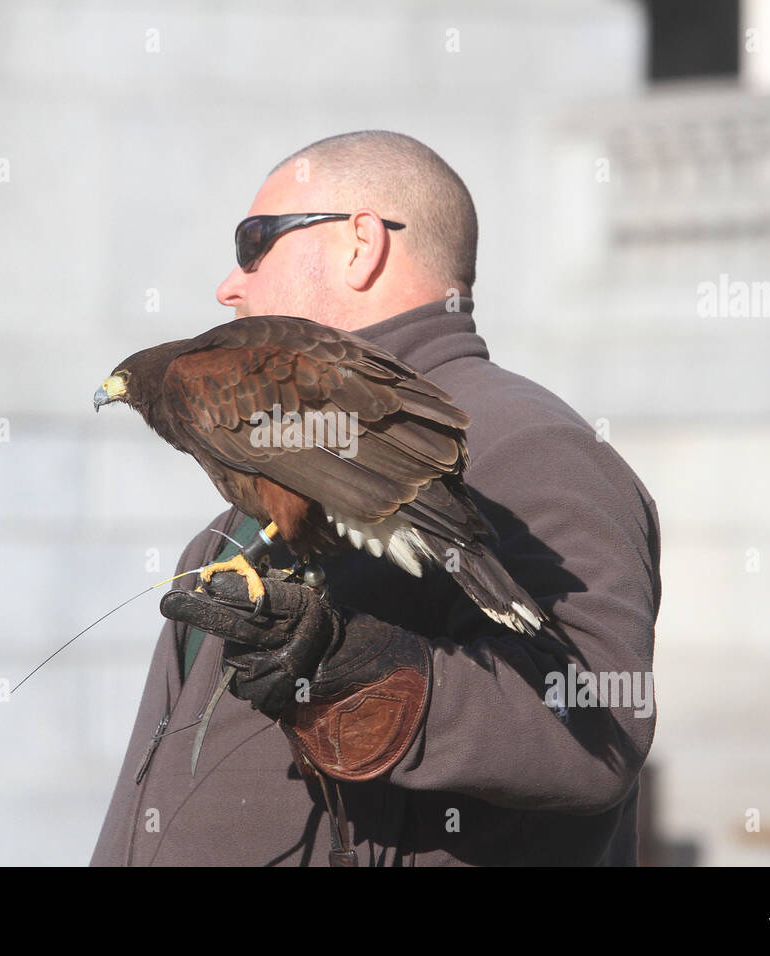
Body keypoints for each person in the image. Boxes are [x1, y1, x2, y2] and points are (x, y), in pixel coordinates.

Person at [90, 130, 661, 866]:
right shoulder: (241, 509)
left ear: (362, 243)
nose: (230, 285)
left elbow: (597, 724)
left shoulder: (528, 448)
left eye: (254, 242)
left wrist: (370, 670)